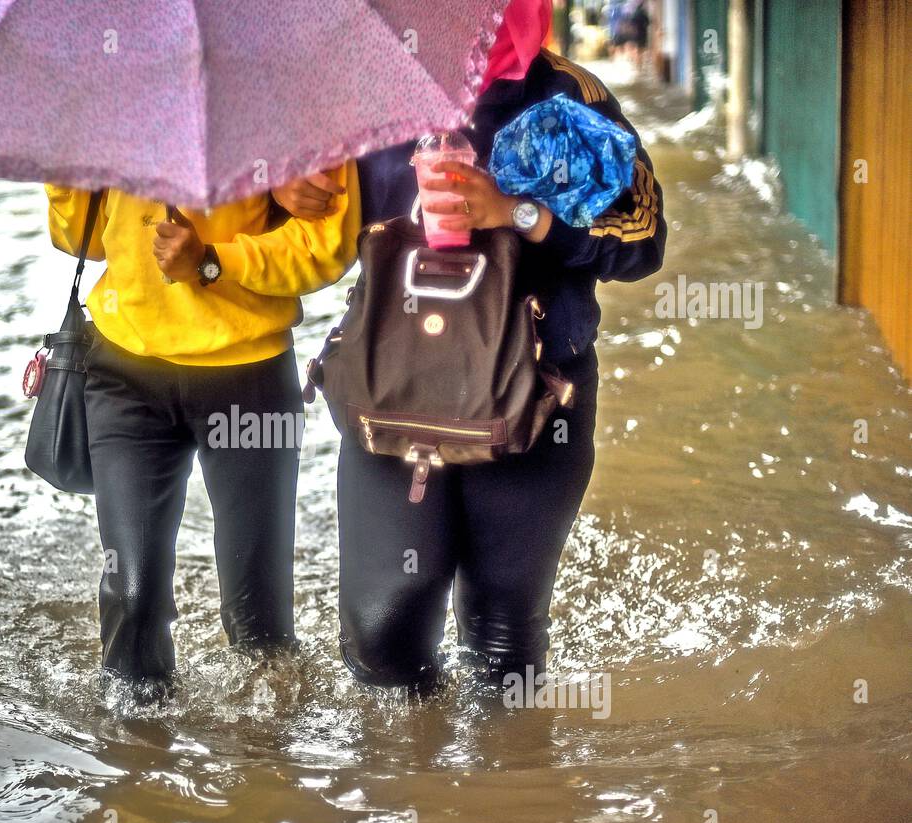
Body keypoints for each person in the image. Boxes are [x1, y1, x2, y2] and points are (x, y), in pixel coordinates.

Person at [271, 0, 665, 691]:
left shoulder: (566, 94)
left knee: (503, 645)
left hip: (536, 396)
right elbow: (303, 249)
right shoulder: (357, 99)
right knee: (381, 637)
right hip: (393, 391)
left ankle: (504, 796)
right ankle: (409, 791)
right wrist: (284, 196)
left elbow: (642, 241)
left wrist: (515, 212)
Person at [45, 169, 359, 701]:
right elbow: (84, 240)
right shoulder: (103, 97)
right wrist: (63, 161)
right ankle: (136, 770)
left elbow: (327, 247)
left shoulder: (300, 100)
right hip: (123, 372)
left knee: (260, 620)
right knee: (132, 594)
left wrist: (213, 260)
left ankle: (267, 771)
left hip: (251, 376)